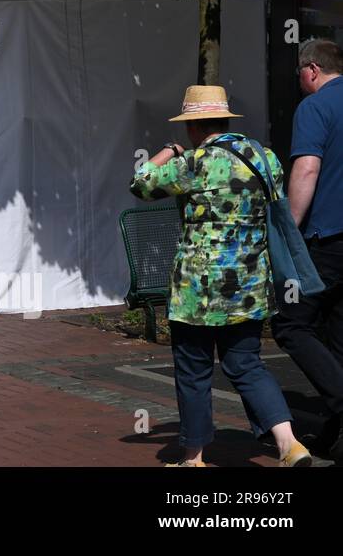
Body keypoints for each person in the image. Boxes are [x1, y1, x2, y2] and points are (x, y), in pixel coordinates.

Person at [130, 84, 311, 467]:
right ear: (226, 119)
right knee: (246, 364)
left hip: (196, 289)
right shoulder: (266, 158)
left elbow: (140, 183)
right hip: (249, 284)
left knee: (194, 369)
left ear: (194, 127)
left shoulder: (194, 162)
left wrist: (169, 151)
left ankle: (193, 458)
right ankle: (289, 443)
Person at [275, 38, 343, 460]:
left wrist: (289, 230)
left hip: (326, 240)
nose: (299, 81)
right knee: (338, 335)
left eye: (300, 72)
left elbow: (307, 167)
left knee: (291, 324)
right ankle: (334, 434)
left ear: (312, 70)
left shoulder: (314, 108)